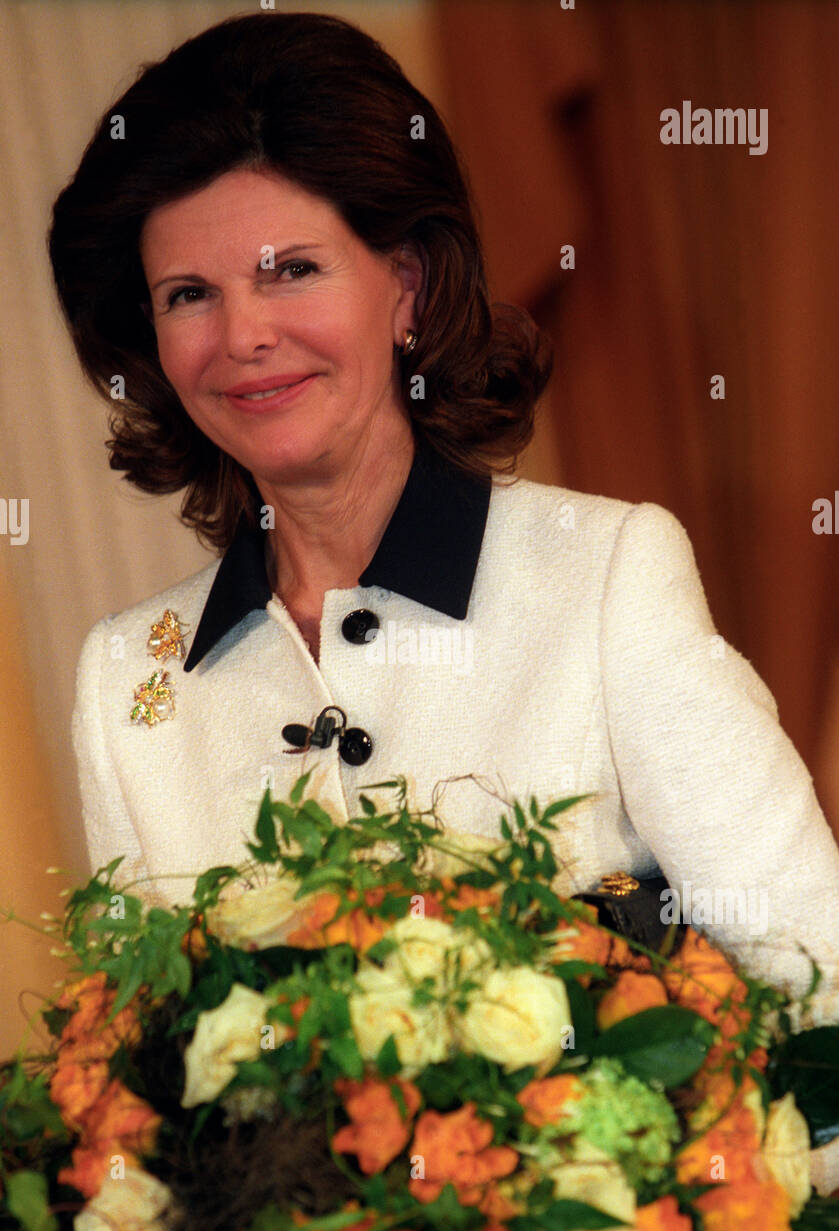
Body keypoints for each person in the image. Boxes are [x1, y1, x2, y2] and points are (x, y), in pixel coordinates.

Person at [51, 11, 839, 1024]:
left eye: (290, 269)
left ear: (405, 288)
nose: (242, 334)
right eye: (188, 294)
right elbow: (138, 1078)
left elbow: (813, 984)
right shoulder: (127, 682)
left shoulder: (603, 577)